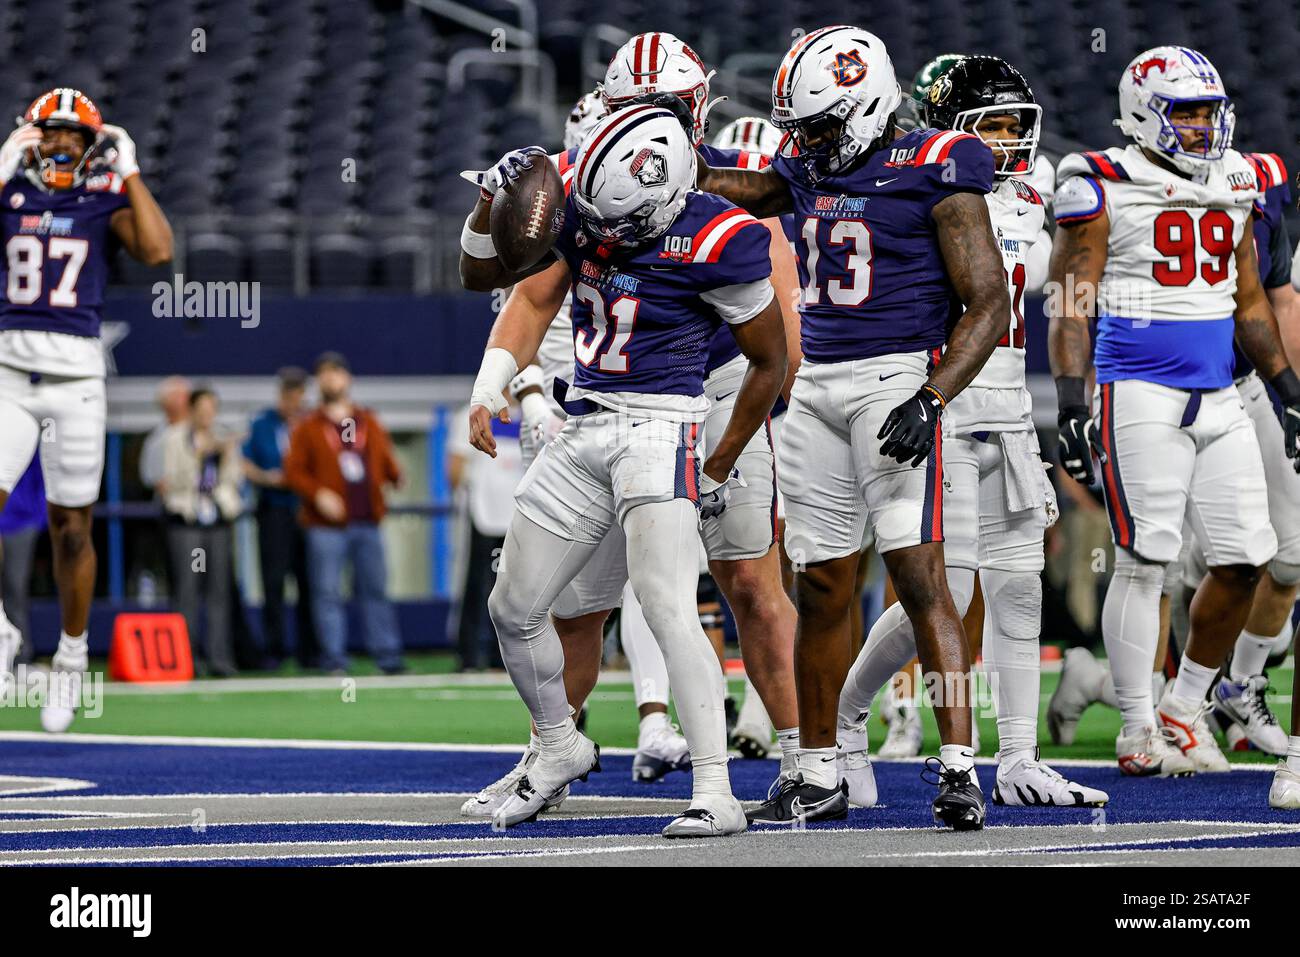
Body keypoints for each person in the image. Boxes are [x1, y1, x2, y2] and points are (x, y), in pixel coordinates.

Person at [696, 26, 1010, 831]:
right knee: (822, 585)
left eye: (825, 125)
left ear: (869, 107)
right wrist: (660, 164)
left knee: (920, 578)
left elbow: (989, 303)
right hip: (818, 392)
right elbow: (746, 188)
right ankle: (819, 769)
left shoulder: (939, 164)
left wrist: (932, 396)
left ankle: (959, 770)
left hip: (897, 378)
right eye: (803, 129)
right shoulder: (807, 160)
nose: (809, 144)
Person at [460, 104, 787, 837]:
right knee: (512, 605)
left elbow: (770, 360)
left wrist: (721, 457)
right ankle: (557, 746)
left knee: (668, 602)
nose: (604, 239)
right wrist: (488, 388)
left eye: (622, 226)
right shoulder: (581, 193)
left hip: (663, 422)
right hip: (585, 417)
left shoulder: (720, 235)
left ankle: (715, 788)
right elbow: (532, 293)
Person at [835, 55, 1106, 809]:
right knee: (944, 591)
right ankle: (847, 716)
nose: (1009, 139)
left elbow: (1071, 271)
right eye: (992, 124)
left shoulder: (1035, 189)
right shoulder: (922, 186)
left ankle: (1019, 757)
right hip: (941, 406)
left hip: (1012, 411)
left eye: (1018, 124)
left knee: (1019, 590)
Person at [1048, 47, 1300, 777]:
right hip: (1140, 390)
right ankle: (1135, 726)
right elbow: (1070, 298)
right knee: (1147, 556)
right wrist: (1072, 398)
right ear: (1142, 113)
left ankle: (1183, 707)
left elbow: (1249, 303)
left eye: (1206, 111)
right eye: (1183, 111)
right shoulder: (1100, 180)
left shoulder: (1237, 178)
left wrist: (1288, 393)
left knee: (1248, 558)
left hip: (1221, 394)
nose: (1200, 126)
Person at [0, 88, 172, 732]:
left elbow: (158, 250)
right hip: (10, 371)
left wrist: (129, 169)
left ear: (94, 144)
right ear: (31, 136)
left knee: (71, 527)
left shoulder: (104, 202)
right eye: (50, 132)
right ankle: (4, 631)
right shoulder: (11, 195)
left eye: (74, 135)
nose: (61, 143)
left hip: (75, 379)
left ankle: (71, 659)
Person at [283, 352, 406, 675]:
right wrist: (318, 493)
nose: (330, 380)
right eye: (323, 374)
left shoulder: (368, 421)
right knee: (327, 593)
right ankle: (334, 659)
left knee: (376, 590)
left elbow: (386, 459)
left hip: (367, 520)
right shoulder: (309, 427)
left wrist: (395, 476)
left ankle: (388, 656)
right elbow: (293, 471)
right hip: (326, 526)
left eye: (335, 373)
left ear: (347, 379)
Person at [161, 387, 243, 676]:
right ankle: (187, 657)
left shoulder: (223, 439)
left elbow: (234, 479)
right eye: (203, 408)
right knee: (188, 590)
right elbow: (173, 481)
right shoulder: (175, 438)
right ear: (192, 409)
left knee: (219, 591)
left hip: (217, 522)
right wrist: (200, 455)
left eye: (213, 408)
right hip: (189, 523)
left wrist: (223, 454)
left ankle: (220, 657)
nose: (208, 414)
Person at [244, 367, 317, 668]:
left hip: (306, 510)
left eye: (297, 394)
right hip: (274, 511)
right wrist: (265, 477)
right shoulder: (262, 424)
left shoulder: (313, 423)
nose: (292, 401)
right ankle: (274, 650)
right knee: (273, 582)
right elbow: (244, 461)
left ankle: (309, 652)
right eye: (288, 394)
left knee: (309, 582)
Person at [447, 393, 523, 671]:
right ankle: (468, 655)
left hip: (519, 516)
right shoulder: (469, 416)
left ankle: (501, 657)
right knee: (476, 584)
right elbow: (454, 470)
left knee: (512, 589)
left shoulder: (531, 415)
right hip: (481, 515)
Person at [0, 459, 47, 664]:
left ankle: (20, 659)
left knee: (15, 590)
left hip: (20, 523)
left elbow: (44, 475)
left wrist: (38, 518)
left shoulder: (26, 431)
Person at [140, 376, 192, 494]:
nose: (188, 399)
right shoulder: (156, 440)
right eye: (180, 396)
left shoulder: (204, 431)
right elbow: (154, 480)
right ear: (166, 403)